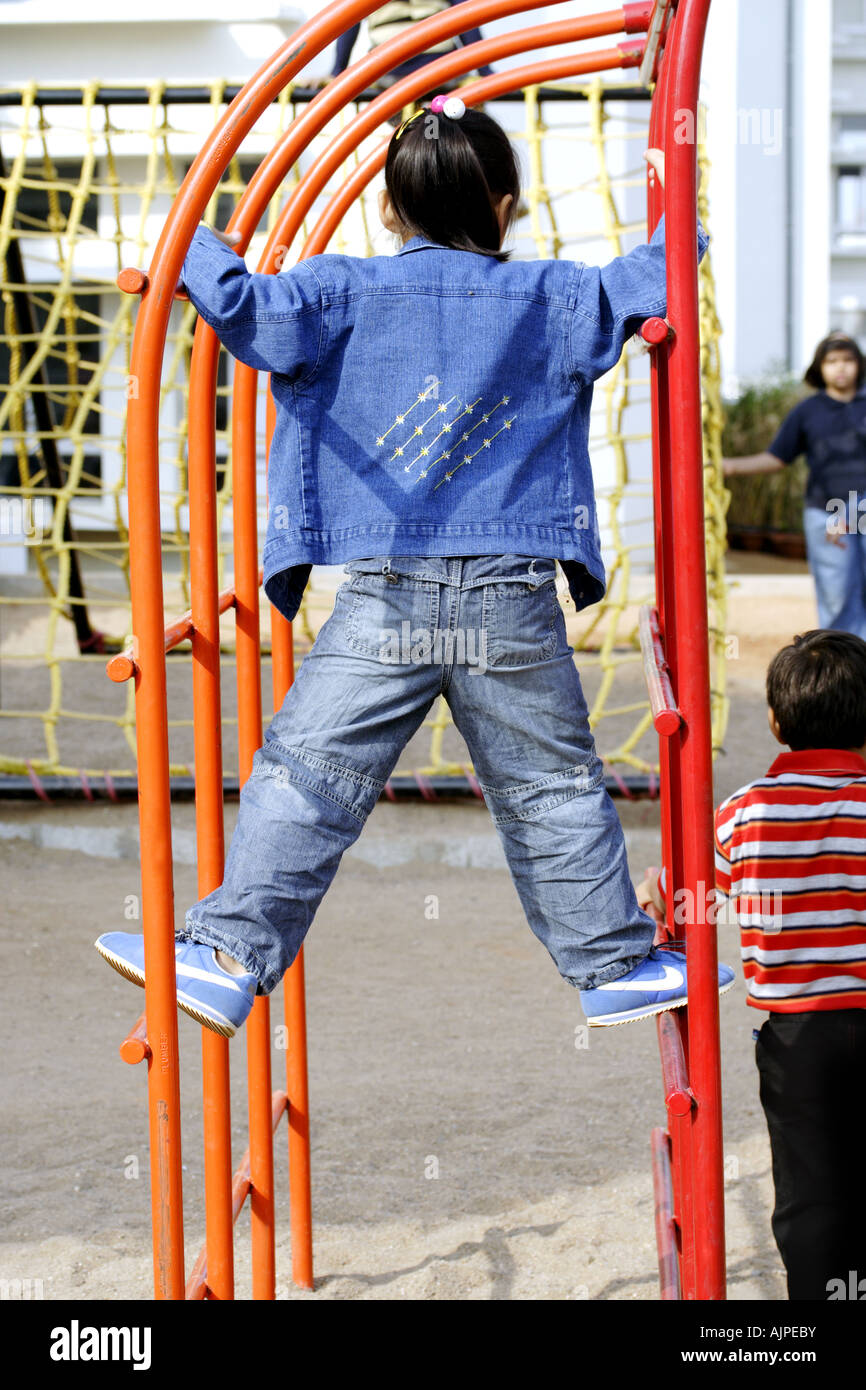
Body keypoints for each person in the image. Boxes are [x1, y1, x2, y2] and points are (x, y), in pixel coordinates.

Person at [96, 103, 733, 1038]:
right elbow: (658, 276)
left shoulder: (336, 291)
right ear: (505, 207)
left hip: (389, 592)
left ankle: (231, 958)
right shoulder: (555, 297)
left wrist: (202, 230)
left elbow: (236, 304)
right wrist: (688, 203)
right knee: (550, 784)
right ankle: (613, 963)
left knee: (310, 775)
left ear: (390, 212)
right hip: (511, 592)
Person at [638, 629, 866, 1301]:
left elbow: (693, 909)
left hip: (797, 1037)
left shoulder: (740, 815)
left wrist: (658, 891)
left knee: (808, 1185)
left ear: (775, 720)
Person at [721, 331, 866, 640]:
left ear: (859, 365)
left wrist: (852, 513)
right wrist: (729, 467)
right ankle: (846, 669)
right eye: (832, 361)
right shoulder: (807, 411)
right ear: (820, 368)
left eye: (848, 360)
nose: (840, 368)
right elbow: (777, 457)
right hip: (824, 512)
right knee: (837, 595)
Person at [328, 1, 496, 125]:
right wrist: (485, 71)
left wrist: (337, 71)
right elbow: (465, 15)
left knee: (406, 126)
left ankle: (409, 144)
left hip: (393, 69)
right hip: (440, 67)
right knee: (459, 120)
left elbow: (351, 21)